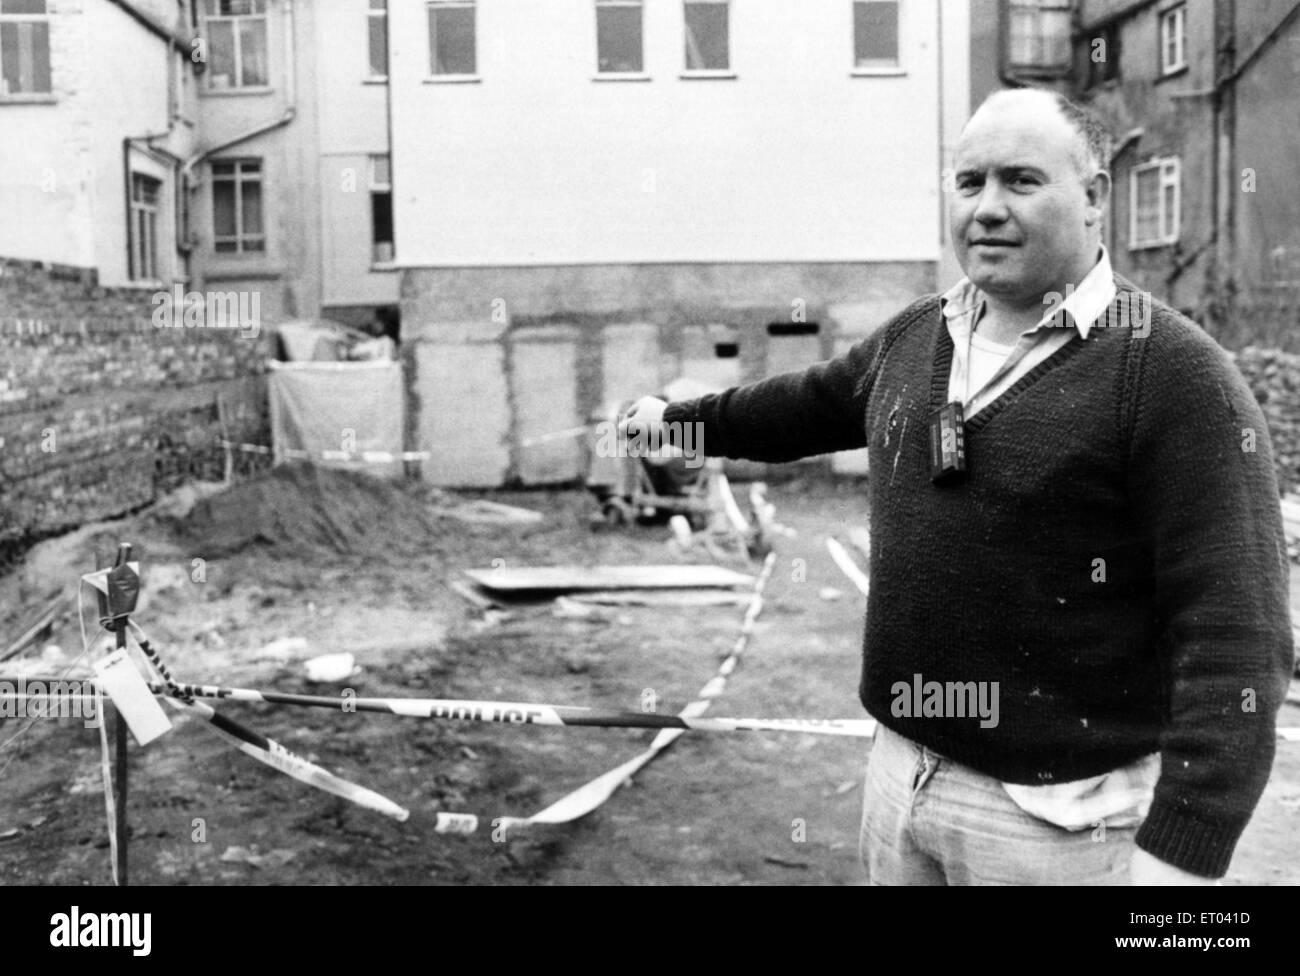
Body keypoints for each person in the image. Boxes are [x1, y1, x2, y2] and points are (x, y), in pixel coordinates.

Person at [621, 87, 1294, 885]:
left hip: (1056, 819)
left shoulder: (1173, 376)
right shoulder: (917, 336)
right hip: (902, 773)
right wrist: (680, 422)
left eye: (1021, 181)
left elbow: (1238, 635)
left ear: (1094, 197)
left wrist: (1184, 852)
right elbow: (797, 410)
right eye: (969, 183)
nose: (987, 209)